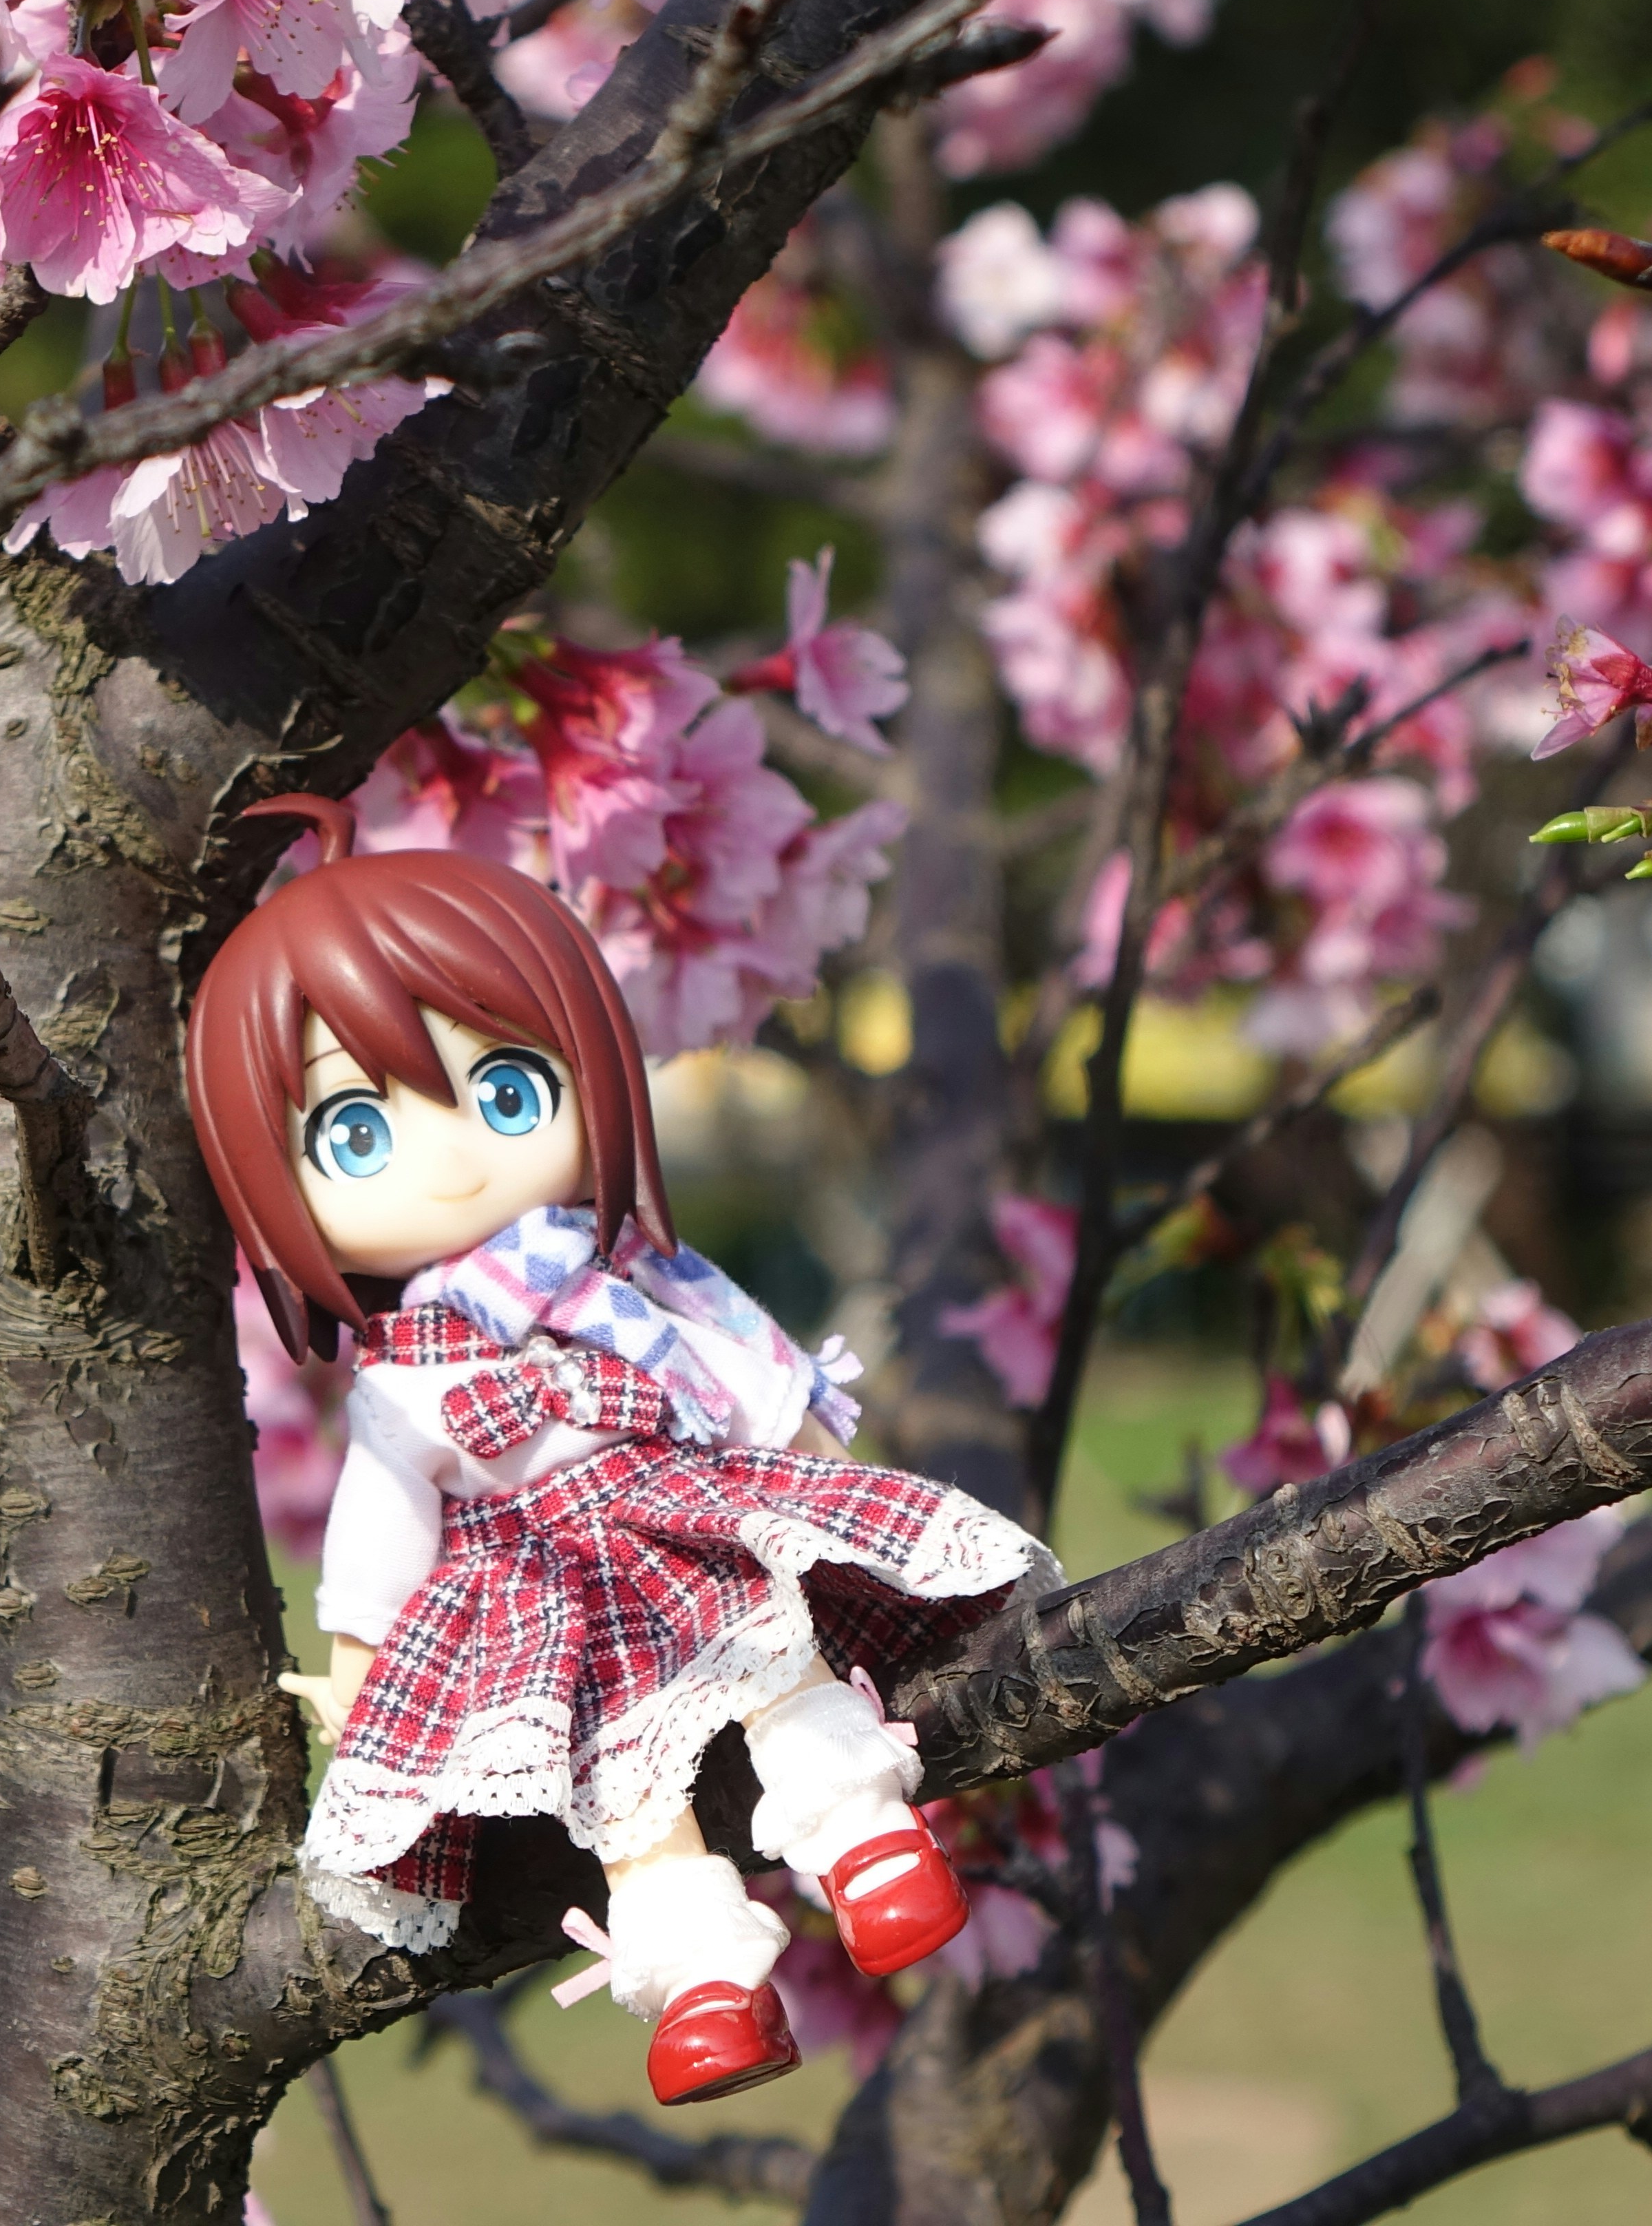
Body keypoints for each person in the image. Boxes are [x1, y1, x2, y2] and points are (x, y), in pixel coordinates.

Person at [185, 795, 1060, 2104]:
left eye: (503, 1086)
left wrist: (805, 1440)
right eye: (353, 1132)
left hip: (673, 1509)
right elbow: (382, 1521)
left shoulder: (634, 1279)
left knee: (777, 1643)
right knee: (617, 1784)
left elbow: (738, 1366)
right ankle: (702, 1979)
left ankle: (868, 1842)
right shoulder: (408, 1377)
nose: (447, 1161)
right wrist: (363, 1651)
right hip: (529, 1598)